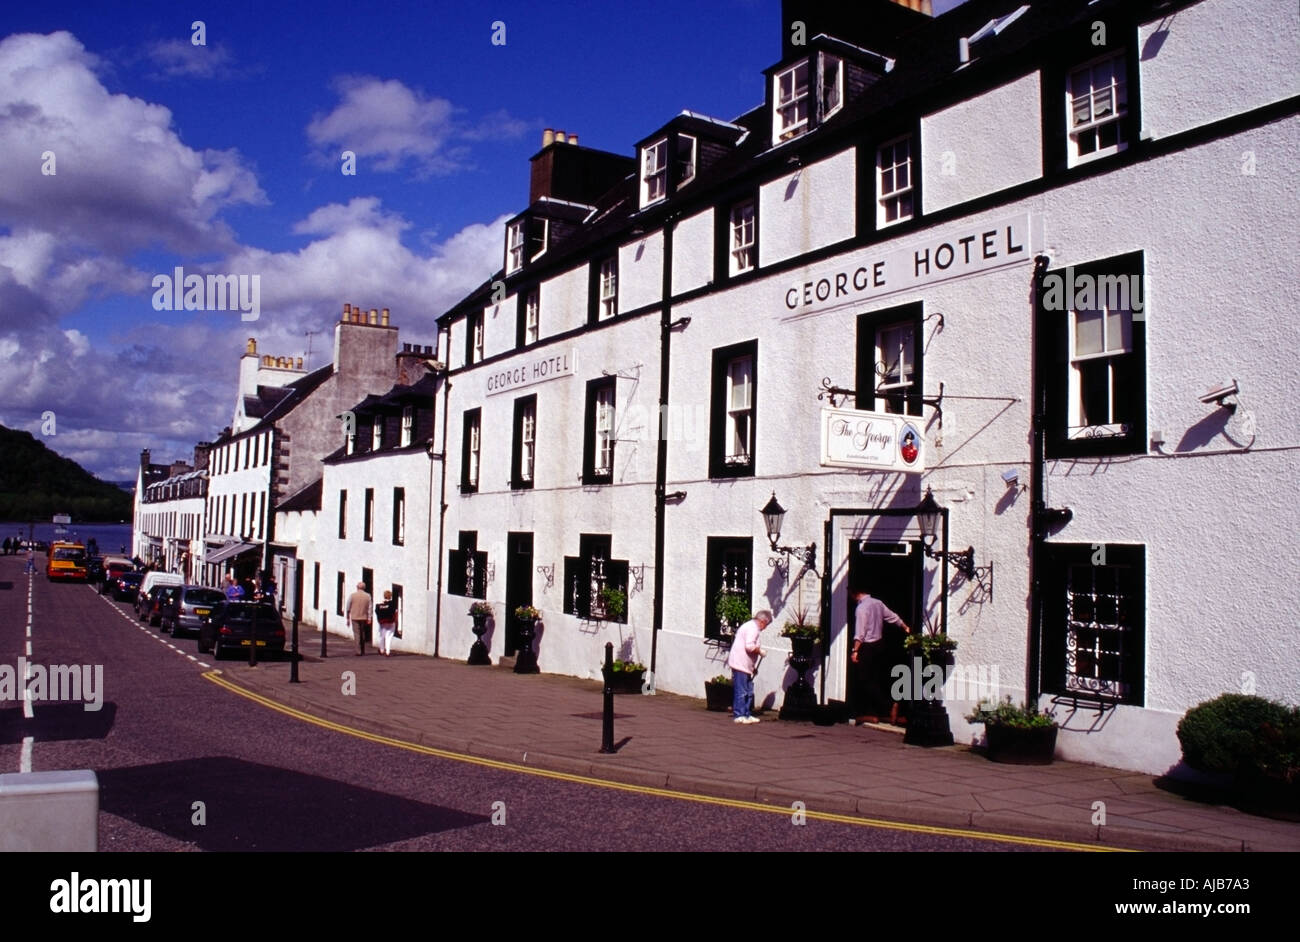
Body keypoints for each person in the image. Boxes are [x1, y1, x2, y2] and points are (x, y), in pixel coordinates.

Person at [850, 587, 913, 726]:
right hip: (879, 645)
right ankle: (876, 712)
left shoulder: (861, 608)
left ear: (854, 593)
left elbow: (860, 633)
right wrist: (905, 627)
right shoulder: (878, 603)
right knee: (876, 678)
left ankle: (887, 706)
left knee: (864, 680)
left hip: (867, 646)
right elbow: (892, 617)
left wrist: (855, 651)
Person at [726, 609, 772, 724]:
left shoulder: (750, 626)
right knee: (742, 690)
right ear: (762, 621)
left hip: (745, 664)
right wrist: (760, 651)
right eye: (766, 624)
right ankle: (739, 714)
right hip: (740, 663)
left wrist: (753, 667)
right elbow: (749, 646)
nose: (765, 628)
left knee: (748, 690)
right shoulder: (753, 629)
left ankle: (746, 713)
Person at [346, 581, 373, 656]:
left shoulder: (352, 595)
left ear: (357, 587)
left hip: (354, 617)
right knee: (362, 633)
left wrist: (347, 618)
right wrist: (369, 618)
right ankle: (363, 649)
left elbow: (348, 607)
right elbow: (370, 608)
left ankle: (358, 651)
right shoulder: (368, 596)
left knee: (357, 634)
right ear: (364, 588)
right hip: (364, 617)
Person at [375, 590, 398, 656]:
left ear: (384, 596)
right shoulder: (393, 604)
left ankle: (382, 650)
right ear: (390, 596)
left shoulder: (379, 605)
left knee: (382, 636)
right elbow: (396, 612)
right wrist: (396, 621)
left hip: (382, 622)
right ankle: (388, 651)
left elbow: (377, 612)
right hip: (391, 622)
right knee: (389, 637)